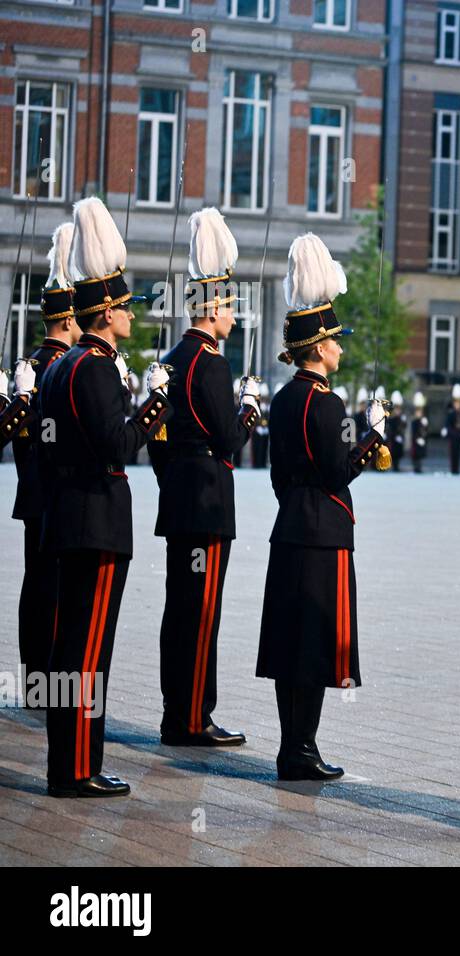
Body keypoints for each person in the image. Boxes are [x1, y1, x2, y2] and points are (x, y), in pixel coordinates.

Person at [41, 197, 171, 797]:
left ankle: (77, 763)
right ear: (109, 311)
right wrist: (152, 406)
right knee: (87, 649)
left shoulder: (62, 366)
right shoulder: (93, 368)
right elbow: (117, 444)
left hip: (72, 517)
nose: (133, 319)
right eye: (127, 310)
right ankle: (74, 769)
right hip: (95, 521)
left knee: (76, 646)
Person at [256, 233, 387, 781]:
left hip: (290, 526)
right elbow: (338, 469)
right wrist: (371, 435)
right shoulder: (327, 401)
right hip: (324, 532)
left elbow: (279, 474)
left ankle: (294, 746)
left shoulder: (285, 399)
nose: (340, 348)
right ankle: (301, 749)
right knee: (313, 644)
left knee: (292, 644)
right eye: (335, 342)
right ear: (318, 348)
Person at [150, 208, 260, 747]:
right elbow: (229, 439)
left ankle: (178, 712)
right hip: (209, 502)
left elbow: (156, 439)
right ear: (212, 308)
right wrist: (249, 408)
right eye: (230, 309)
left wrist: (172, 479)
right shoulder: (211, 364)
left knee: (180, 609)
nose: (234, 318)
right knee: (202, 613)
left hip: (178, 499)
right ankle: (193, 719)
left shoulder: (171, 360)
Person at [6, 222, 80, 706]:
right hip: (56, 491)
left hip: (30, 488)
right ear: (70, 320)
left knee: (36, 584)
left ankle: (34, 676)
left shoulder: (31, 363)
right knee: (53, 590)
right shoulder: (62, 366)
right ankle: (45, 681)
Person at [443, 385, 460, 474]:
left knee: (458, 453)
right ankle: (453, 469)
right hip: (453, 435)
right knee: (452, 453)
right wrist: (446, 429)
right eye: (456, 403)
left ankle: (457, 469)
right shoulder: (451, 413)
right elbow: (448, 423)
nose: (457, 405)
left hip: (459, 435)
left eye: (458, 403)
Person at [410, 391, 429, 473]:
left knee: (420, 455)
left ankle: (419, 467)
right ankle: (416, 467)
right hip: (416, 440)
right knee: (416, 455)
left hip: (421, 440)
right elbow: (414, 431)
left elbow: (425, 431)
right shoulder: (414, 421)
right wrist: (417, 438)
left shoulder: (423, 420)